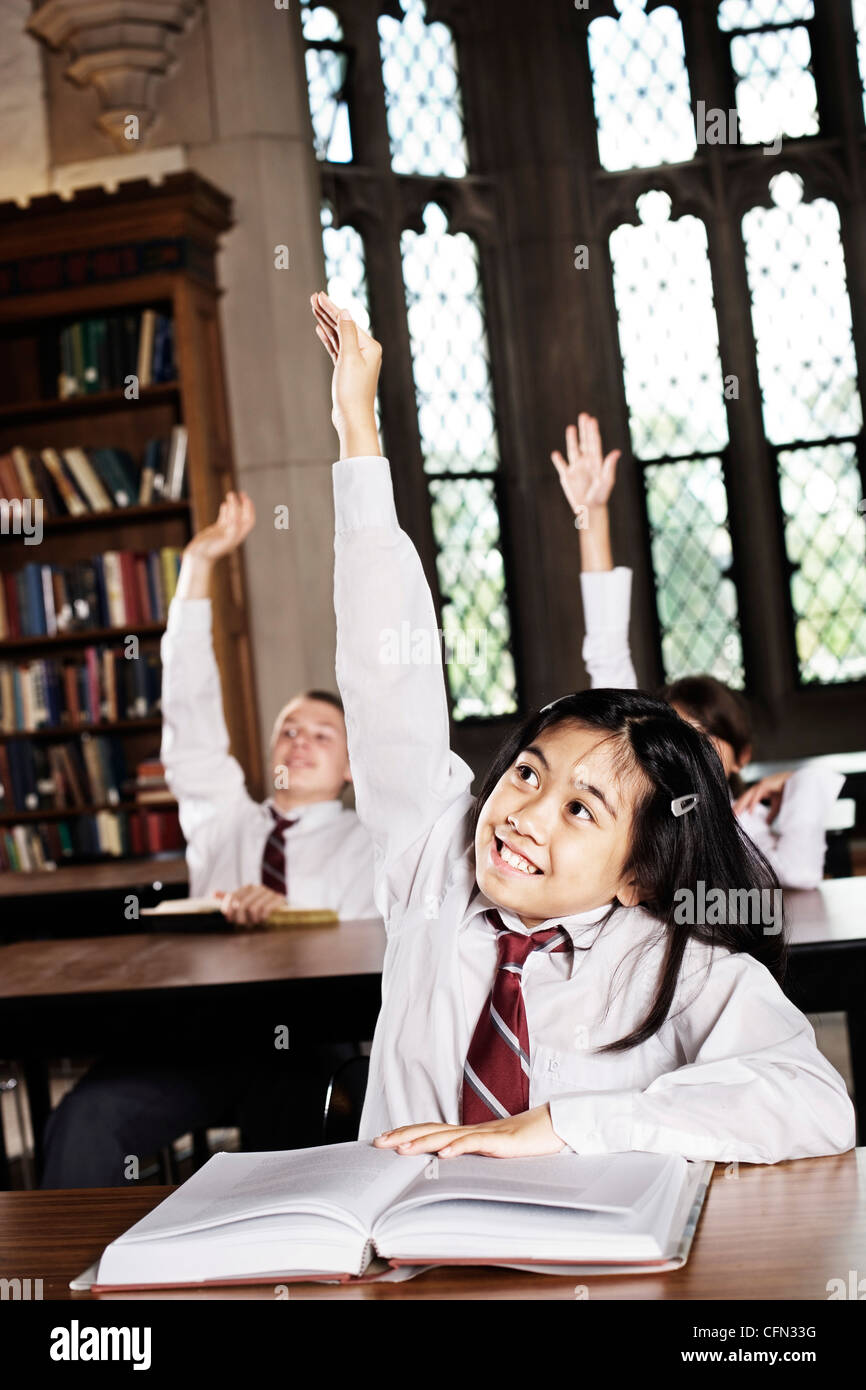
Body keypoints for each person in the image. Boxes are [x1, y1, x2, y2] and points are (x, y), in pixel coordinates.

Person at [309, 288, 854, 1164]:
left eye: (581, 811)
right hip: (403, 1256)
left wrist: (570, 1127)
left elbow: (815, 1104)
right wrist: (357, 431)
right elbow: (388, 680)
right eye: (527, 775)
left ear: (640, 871)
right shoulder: (433, 865)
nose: (527, 813)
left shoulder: (673, 962)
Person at [40, 494, 377, 1187]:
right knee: (84, 1117)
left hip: (306, 1047)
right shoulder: (224, 818)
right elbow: (190, 712)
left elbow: (378, 952)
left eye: (323, 735)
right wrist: (197, 567)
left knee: (288, 1138)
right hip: (201, 1040)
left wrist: (291, 922)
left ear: (351, 768)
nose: (300, 741)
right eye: (289, 729)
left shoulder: (368, 842)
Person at [551, 413, 845, 890]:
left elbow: (801, 873)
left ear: (742, 757)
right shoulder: (642, 809)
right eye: (681, 730)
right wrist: (593, 516)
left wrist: (790, 783)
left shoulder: (748, 826)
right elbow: (606, 649)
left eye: (707, 734)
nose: (692, 744)